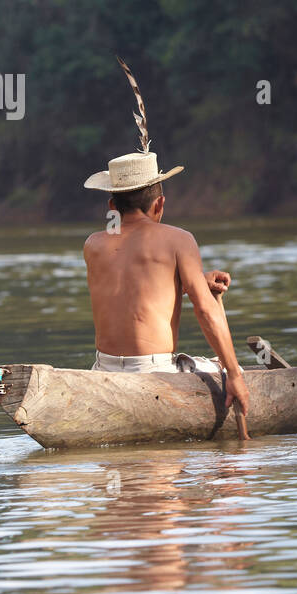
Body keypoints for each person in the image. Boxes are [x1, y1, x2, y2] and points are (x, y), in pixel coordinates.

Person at [82, 150, 251, 422]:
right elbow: (206, 311)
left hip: (103, 369)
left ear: (112, 207)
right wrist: (232, 375)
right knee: (230, 367)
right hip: (154, 371)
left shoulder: (93, 245)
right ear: (159, 204)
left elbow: (130, 293)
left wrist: (192, 281)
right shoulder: (178, 240)